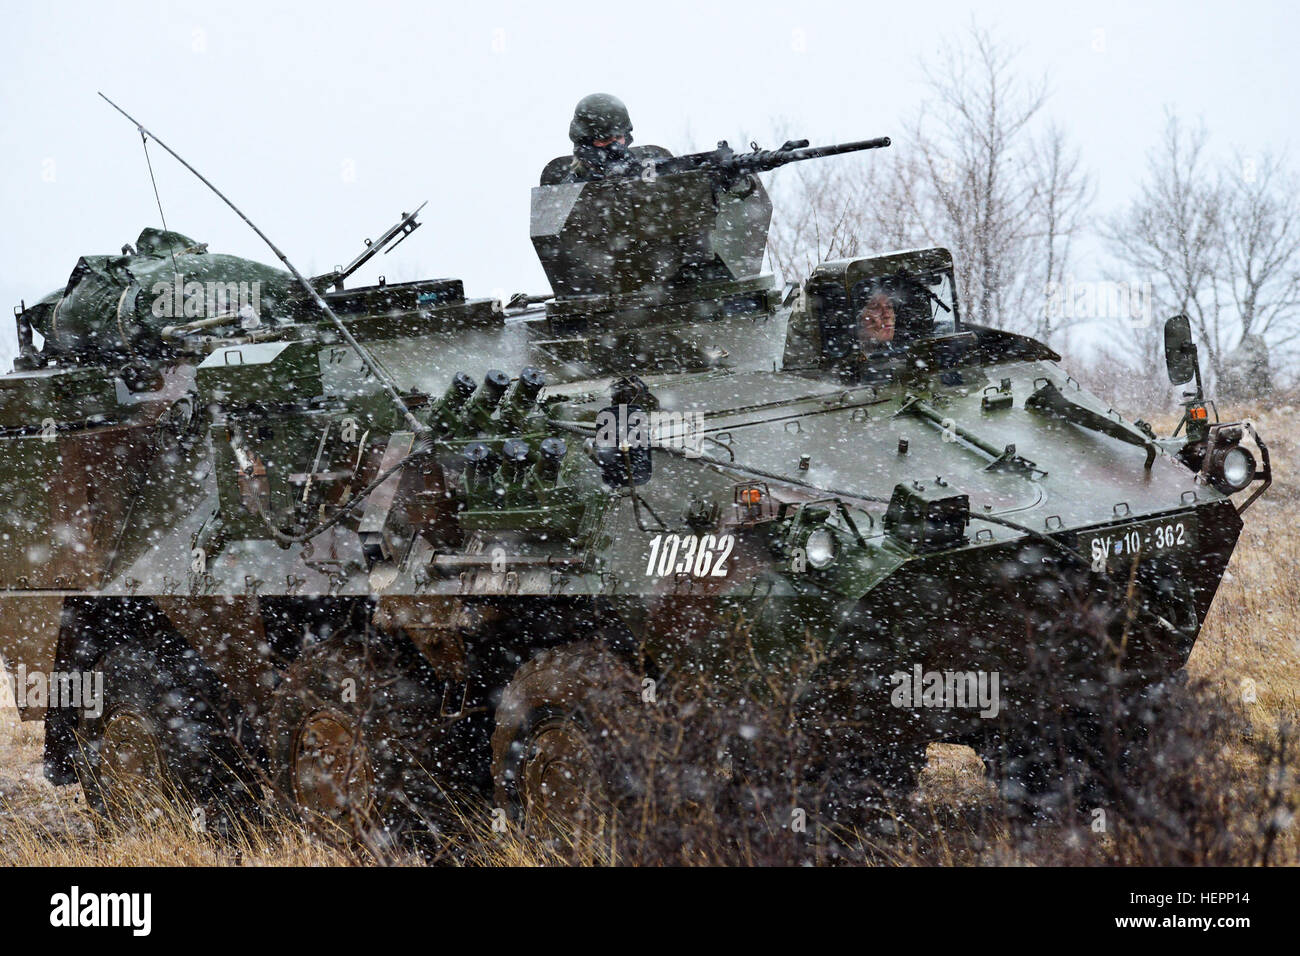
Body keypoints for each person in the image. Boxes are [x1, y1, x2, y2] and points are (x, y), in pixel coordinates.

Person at [539, 93, 672, 186]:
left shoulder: (647, 166)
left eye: (619, 137)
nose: (614, 145)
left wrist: (635, 173)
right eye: (604, 139)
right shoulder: (567, 186)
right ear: (585, 144)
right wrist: (594, 177)